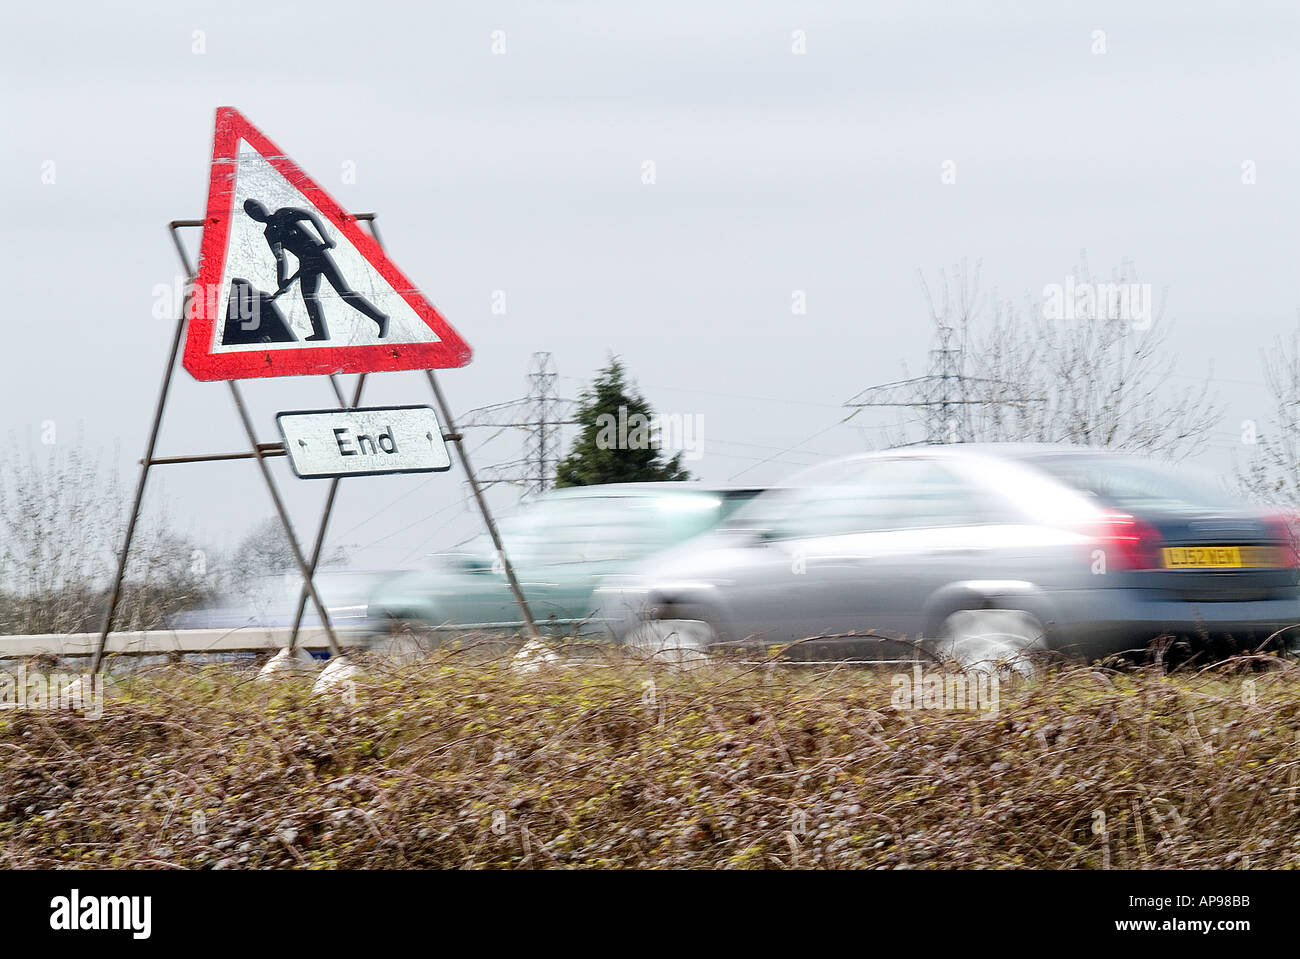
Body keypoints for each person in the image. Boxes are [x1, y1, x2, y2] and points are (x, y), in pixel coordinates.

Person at [243, 199, 388, 340]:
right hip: (306, 264)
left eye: (256, 207)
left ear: (263, 206)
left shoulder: (283, 213)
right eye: (251, 212)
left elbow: (311, 216)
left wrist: (326, 238)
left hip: (319, 255)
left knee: (344, 292)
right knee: (309, 297)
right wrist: (281, 281)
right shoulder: (270, 233)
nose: (256, 213)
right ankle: (321, 333)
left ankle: (380, 318)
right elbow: (280, 258)